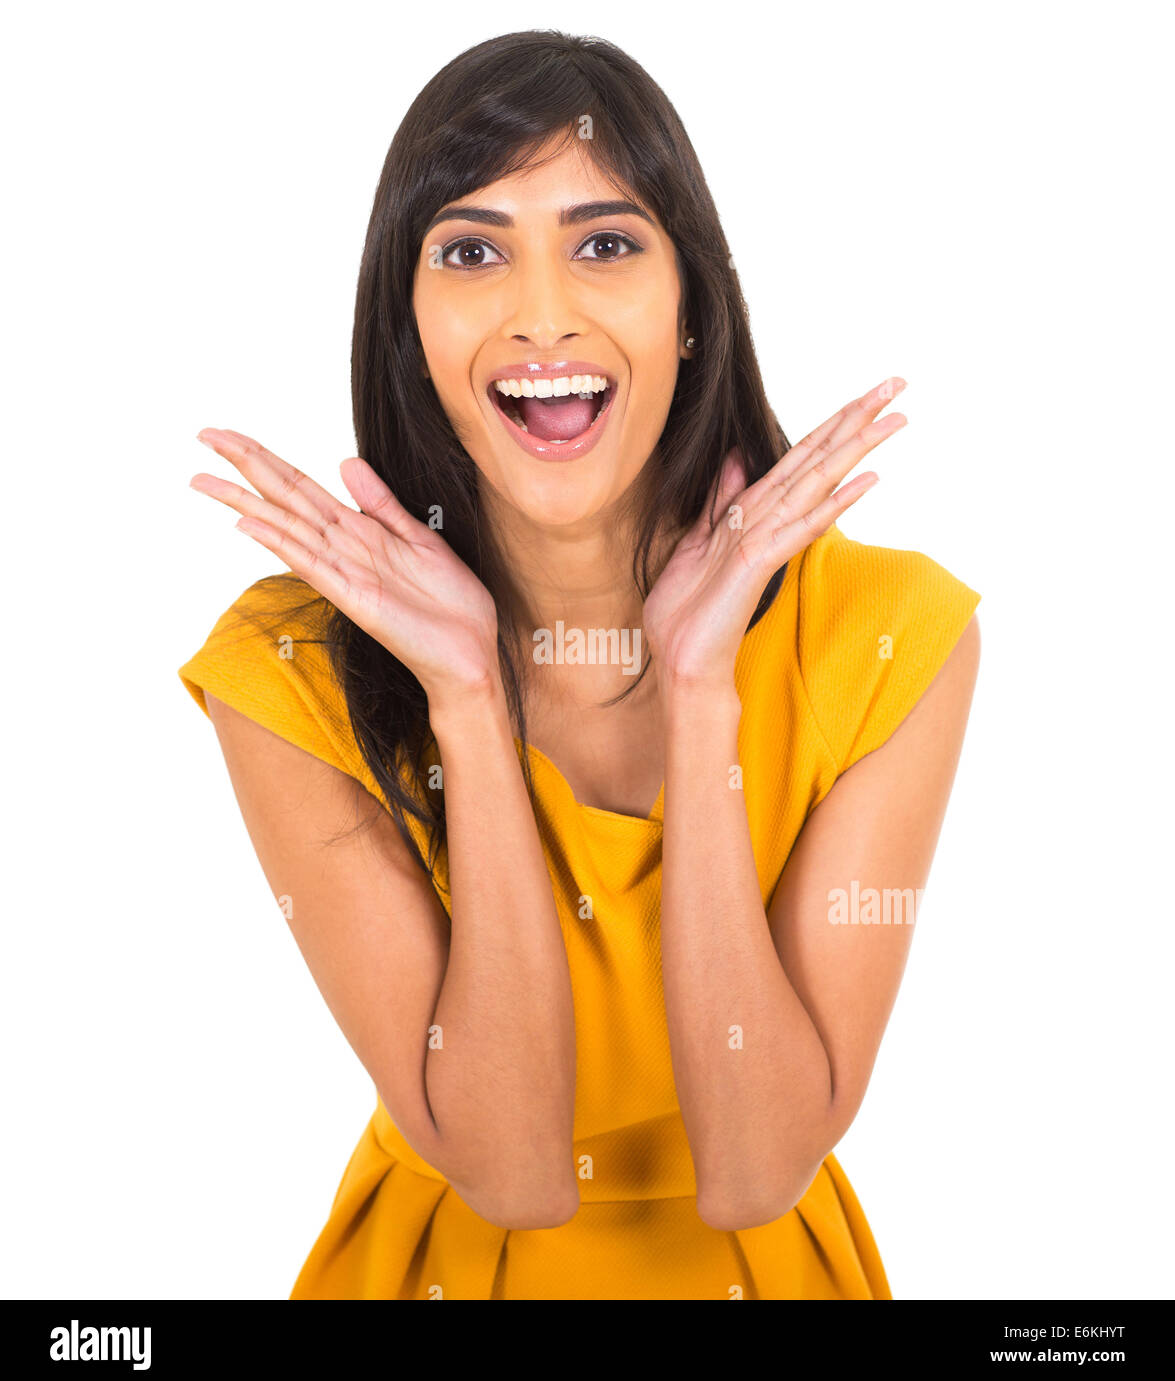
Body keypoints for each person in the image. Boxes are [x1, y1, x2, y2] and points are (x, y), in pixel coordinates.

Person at [177, 30, 981, 1300]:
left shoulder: (883, 633)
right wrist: (464, 700)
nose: (540, 311)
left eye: (605, 243)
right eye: (471, 250)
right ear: (410, 326)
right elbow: (512, 1175)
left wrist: (703, 689)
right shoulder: (291, 667)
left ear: (689, 314)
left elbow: (757, 1166)